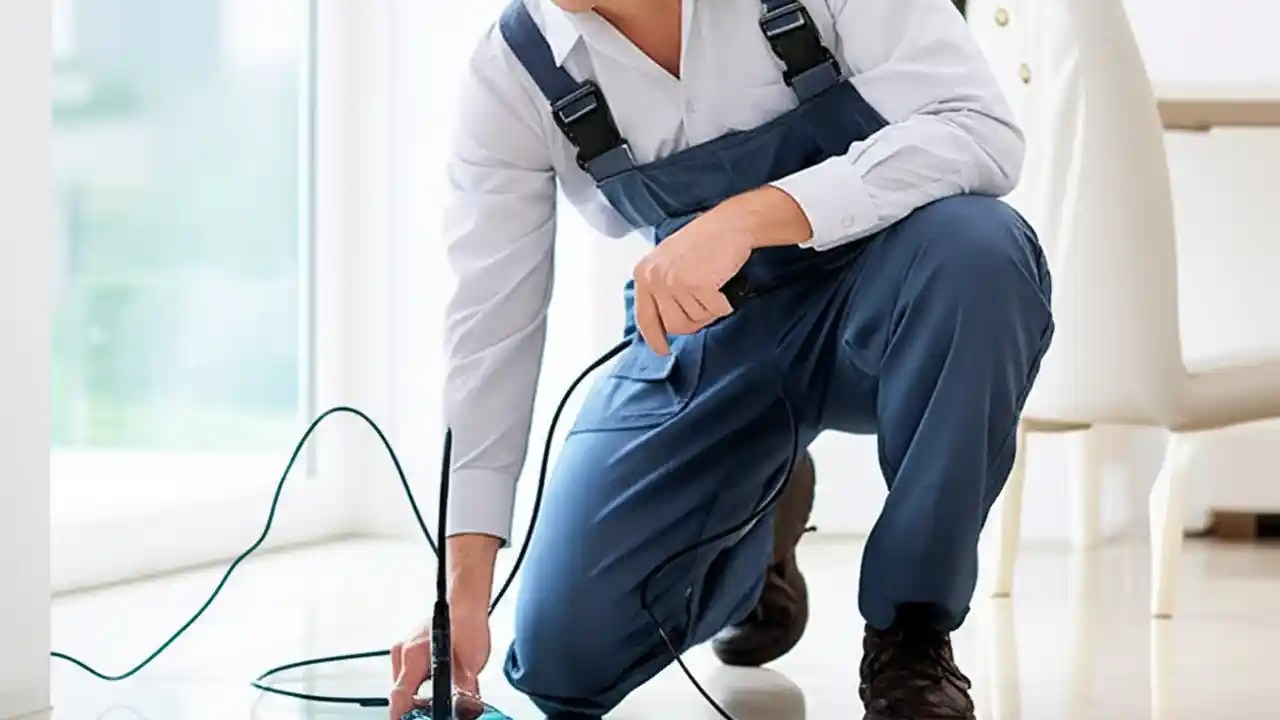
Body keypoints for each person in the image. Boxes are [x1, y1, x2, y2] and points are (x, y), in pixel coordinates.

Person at [389, 0, 1053, 718]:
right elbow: (491, 329)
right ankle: (760, 525)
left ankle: (910, 632)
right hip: (708, 342)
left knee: (980, 253)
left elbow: (979, 128)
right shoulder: (515, 69)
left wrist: (753, 215)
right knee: (561, 661)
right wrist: (461, 592)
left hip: (896, 303)